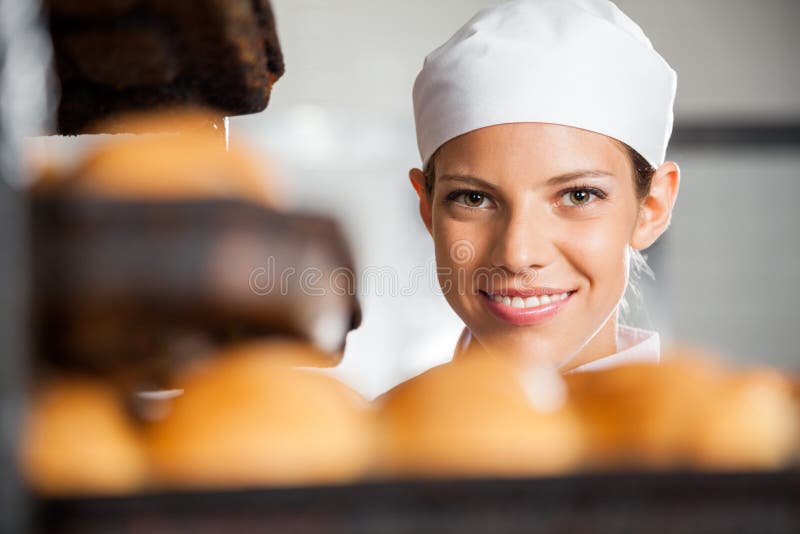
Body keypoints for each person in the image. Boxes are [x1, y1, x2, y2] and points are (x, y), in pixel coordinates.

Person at [407, 0, 680, 374]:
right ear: (428, 209)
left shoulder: (737, 430)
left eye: (578, 196)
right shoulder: (372, 429)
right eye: (475, 198)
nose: (517, 254)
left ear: (652, 208)